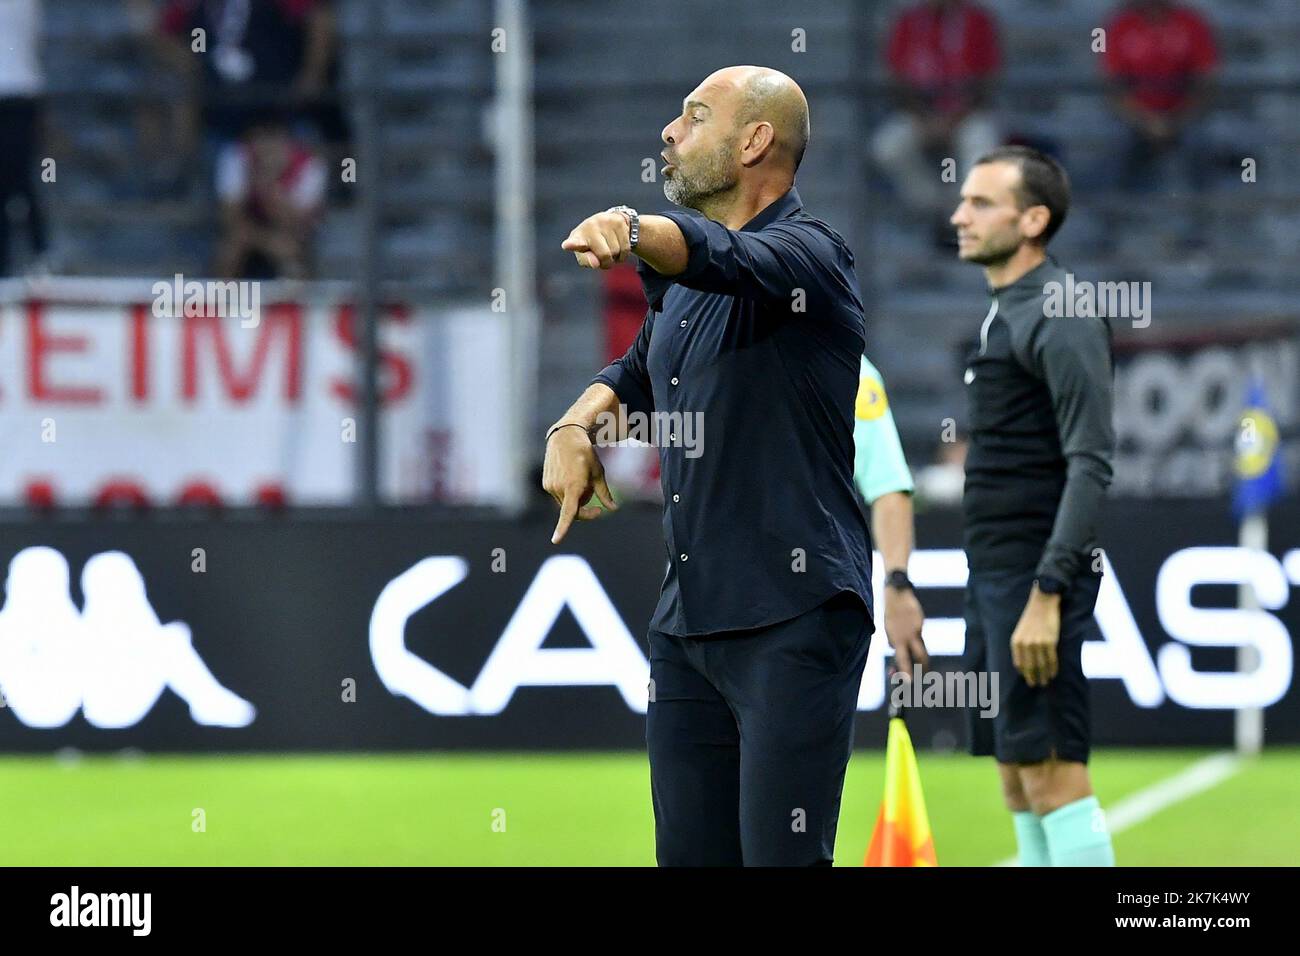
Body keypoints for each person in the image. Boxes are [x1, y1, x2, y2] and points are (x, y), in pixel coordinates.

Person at [543, 65, 919, 866]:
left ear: (754, 142)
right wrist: (572, 426)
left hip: (793, 615)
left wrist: (633, 228)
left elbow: (717, 255)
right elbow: (628, 375)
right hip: (687, 626)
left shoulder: (812, 258)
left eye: (694, 116)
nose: (669, 133)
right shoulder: (682, 295)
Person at [949, 145, 1116, 866]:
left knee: (1051, 773)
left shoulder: (1061, 311)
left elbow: (1091, 462)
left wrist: (1049, 589)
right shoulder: (1004, 309)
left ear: (1035, 219)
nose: (960, 214)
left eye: (982, 203)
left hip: (1031, 578)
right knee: (1017, 776)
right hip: (994, 573)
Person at [871, 0, 1002, 225]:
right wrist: (925, 119)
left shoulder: (977, 19)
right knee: (887, 147)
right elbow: (898, 81)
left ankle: (970, 212)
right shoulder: (908, 21)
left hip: (966, 114)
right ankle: (937, 210)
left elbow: (988, 79)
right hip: (920, 115)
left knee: (983, 143)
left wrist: (953, 119)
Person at [852, 356, 928, 676]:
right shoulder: (687, 338)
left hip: (791, 615)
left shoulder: (849, 366)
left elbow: (888, 485)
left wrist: (897, 584)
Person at [1102, 0, 1217, 193]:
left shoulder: (1191, 22)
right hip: (1135, 118)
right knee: (1115, 148)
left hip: (1185, 116)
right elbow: (1113, 86)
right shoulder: (1120, 25)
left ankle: (1202, 213)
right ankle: (1121, 215)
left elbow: (1206, 81)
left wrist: (1177, 120)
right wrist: (1148, 122)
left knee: (1201, 143)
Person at [214, 116, 326, 278]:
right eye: (259, 141)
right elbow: (229, 216)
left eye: (272, 141)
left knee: (291, 252)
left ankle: (297, 299)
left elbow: (298, 223)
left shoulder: (311, 165)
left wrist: (270, 186)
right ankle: (222, 300)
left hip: (292, 234)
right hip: (248, 229)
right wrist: (262, 239)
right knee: (229, 250)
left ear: (286, 142)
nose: (265, 149)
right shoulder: (237, 157)